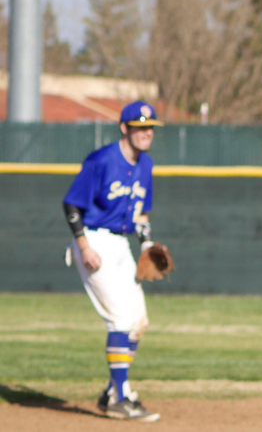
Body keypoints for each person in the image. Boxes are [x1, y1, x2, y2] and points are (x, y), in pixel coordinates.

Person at [63, 100, 164, 422]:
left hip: (121, 243)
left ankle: (112, 393)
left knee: (138, 320)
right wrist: (83, 246)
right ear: (125, 128)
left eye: (150, 128)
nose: (146, 133)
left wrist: (146, 243)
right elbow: (72, 204)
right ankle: (122, 399)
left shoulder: (145, 165)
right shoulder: (102, 160)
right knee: (120, 318)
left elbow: (141, 212)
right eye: (140, 127)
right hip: (94, 240)